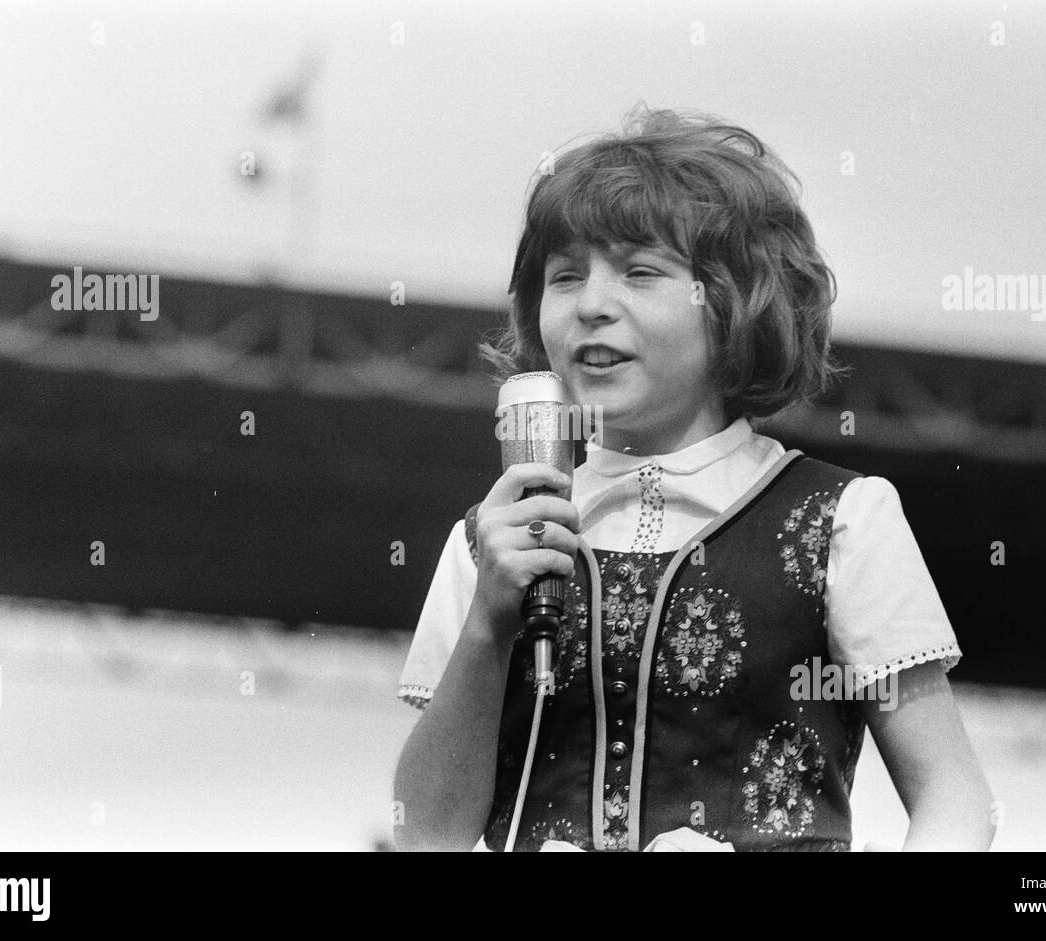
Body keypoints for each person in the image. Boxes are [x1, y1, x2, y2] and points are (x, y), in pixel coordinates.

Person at [392, 105, 994, 852]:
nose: (591, 304)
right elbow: (425, 834)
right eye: (565, 275)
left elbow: (953, 795)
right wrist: (488, 621)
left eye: (641, 272)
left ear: (735, 302)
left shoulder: (843, 517)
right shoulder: (491, 536)